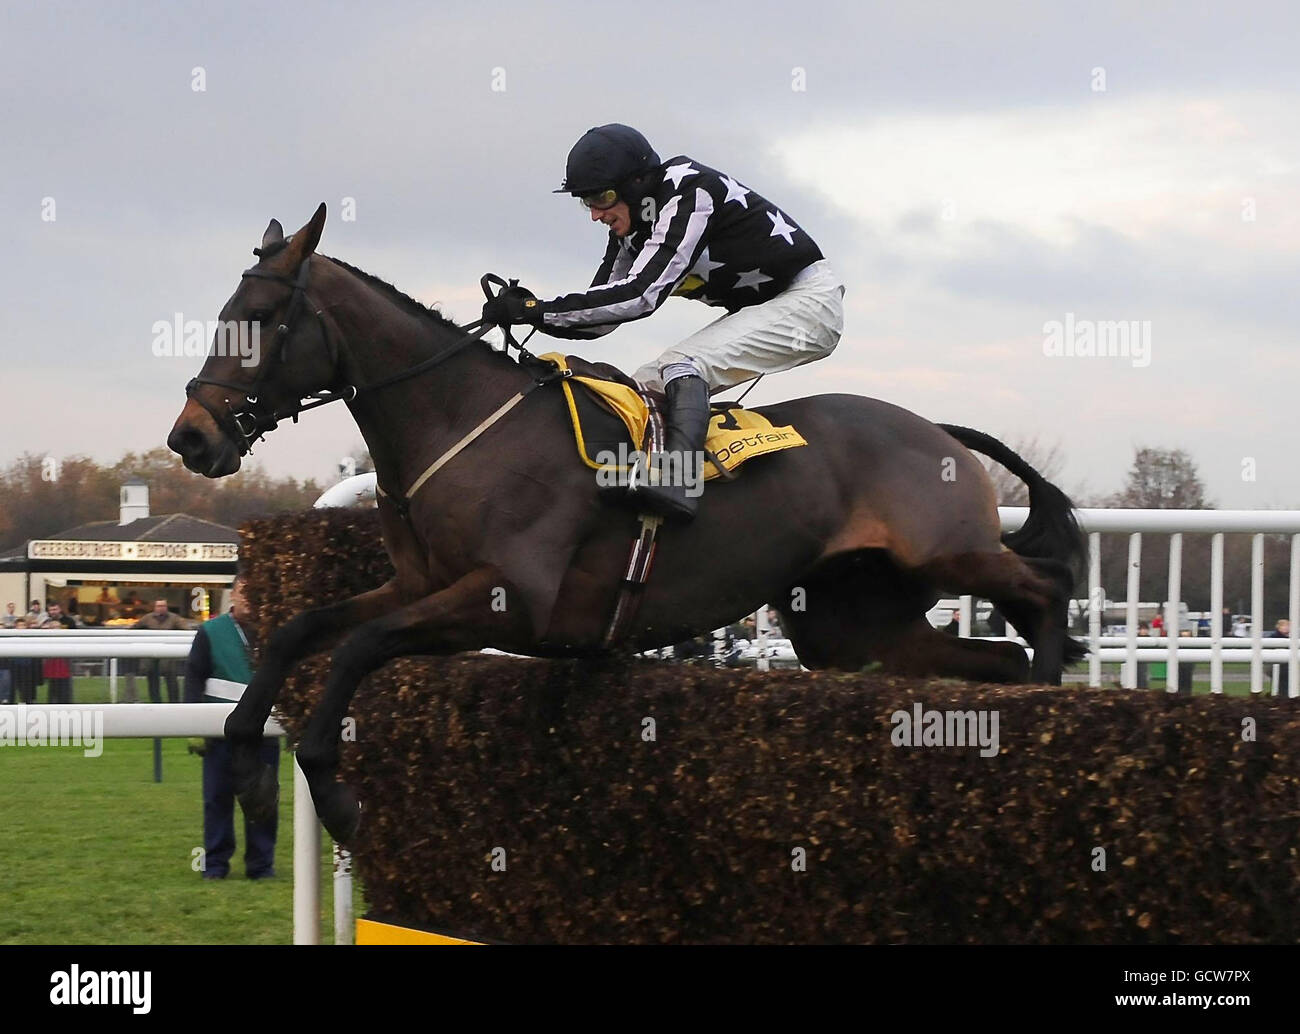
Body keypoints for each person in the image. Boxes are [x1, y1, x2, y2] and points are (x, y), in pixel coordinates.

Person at [483, 123, 844, 521]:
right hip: (770, 305)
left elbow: (640, 296)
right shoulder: (634, 223)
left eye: (602, 197)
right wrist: (525, 314)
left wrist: (538, 308)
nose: (595, 214)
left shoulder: (690, 193)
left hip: (808, 303)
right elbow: (599, 321)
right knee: (645, 385)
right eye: (585, 201)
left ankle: (677, 483)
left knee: (681, 365)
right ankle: (657, 488)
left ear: (637, 184)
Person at [183, 575, 278, 880]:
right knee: (217, 798)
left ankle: (261, 866)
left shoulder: (274, 632)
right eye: (244, 592)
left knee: (263, 797)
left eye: (257, 593)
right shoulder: (210, 632)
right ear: (233, 595)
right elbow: (194, 678)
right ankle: (215, 865)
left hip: (264, 730)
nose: (250, 599)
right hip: (219, 730)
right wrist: (193, 724)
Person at [133, 599, 190, 703]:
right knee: (152, 679)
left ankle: (174, 702)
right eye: (159, 606)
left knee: (171, 678)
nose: (161, 608)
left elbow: (185, 630)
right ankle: (155, 702)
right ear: (154, 607)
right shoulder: (147, 618)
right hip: (151, 652)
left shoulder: (174, 618)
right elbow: (134, 628)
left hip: (168, 653)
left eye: (163, 606)